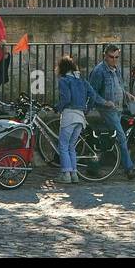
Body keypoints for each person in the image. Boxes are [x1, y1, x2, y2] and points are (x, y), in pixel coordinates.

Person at [55, 55, 110, 184]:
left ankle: (66, 175)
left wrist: (58, 107)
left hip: (69, 115)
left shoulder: (64, 80)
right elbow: (92, 95)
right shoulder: (82, 80)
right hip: (80, 116)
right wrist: (87, 108)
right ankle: (74, 175)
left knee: (63, 146)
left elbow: (66, 98)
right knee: (72, 147)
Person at [87, 44, 135, 180]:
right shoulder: (99, 71)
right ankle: (129, 168)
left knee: (109, 139)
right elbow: (92, 92)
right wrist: (104, 102)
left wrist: (127, 94)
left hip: (118, 108)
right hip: (107, 110)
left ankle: (93, 166)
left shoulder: (116, 69)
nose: (114, 60)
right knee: (121, 137)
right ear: (105, 56)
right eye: (111, 57)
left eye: (116, 57)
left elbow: (119, 86)